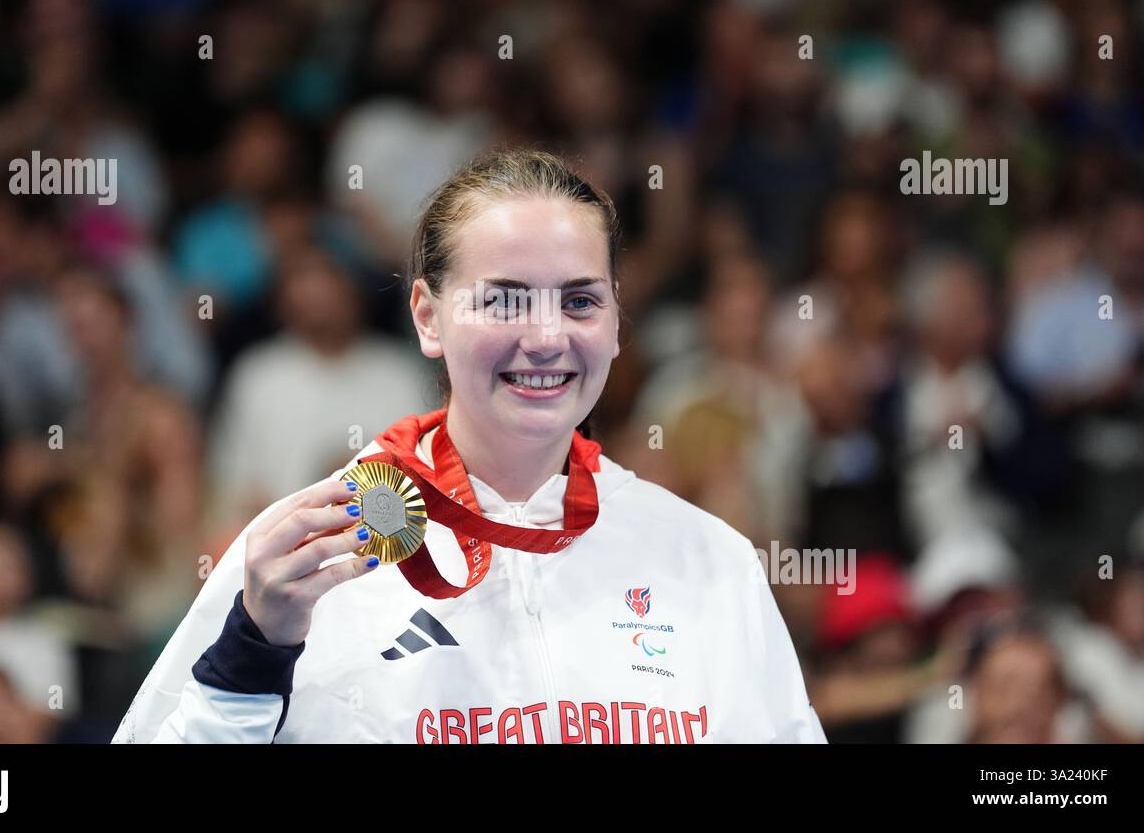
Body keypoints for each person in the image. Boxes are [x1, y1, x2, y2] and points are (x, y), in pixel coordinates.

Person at [113, 148, 827, 744]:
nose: (547, 338)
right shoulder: (306, 554)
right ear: (427, 317)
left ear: (615, 321)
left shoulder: (706, 560)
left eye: (580, 300)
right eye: (504, 299)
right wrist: (250, 659)